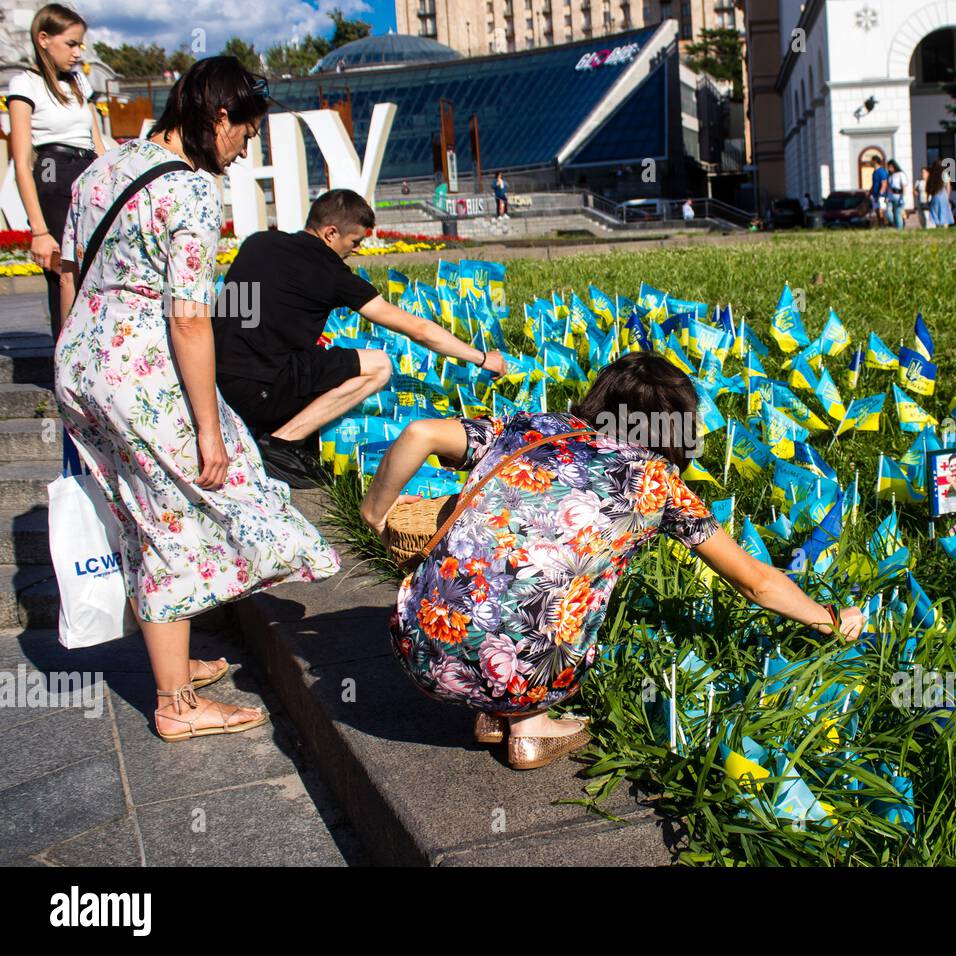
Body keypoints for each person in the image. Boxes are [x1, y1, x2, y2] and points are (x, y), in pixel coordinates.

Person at [360, 353, 865, 770]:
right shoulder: (658, 483)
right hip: (520, 674)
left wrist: (375, 515)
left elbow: (419, 433)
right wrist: (829, 619)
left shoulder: (530, 426)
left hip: (413, 645)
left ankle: (494, 709)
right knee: (559, 597)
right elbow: (755, 581)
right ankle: (529, 726)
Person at [53, 57, 340, 742]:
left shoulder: (104, 167)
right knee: (181, 517)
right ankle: (176, 705)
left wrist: (78, 352)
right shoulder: (190, 193)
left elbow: (67, 271)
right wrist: (210, 430)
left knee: (147, 518)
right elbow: (188, 318)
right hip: (141, 376)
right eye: (245, 132)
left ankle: (175, 669)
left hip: (82, 365)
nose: (245, 150)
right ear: (218, 117)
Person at [213, 188, 506, 488]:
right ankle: (282, 444)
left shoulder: (258, 244)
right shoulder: (333, 275)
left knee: (312, 356)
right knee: (378, 365)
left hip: (217, 387)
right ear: (330, 233)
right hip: (261, 393)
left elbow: (235, 307)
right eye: (354, 242)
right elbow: (419, 330)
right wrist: (483, 358)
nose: (355, 250)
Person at [6, 4, 105, 341]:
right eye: (72, 44)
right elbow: (22, 160)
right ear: (44, 39)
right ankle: (66, 360)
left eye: (81, 45)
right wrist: (38, 230)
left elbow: (98, 141)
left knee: (97, 268)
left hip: (89, 170)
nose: (79, 52)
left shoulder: (80, 82)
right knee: (65, 273)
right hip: (53, 171)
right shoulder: (25, 83)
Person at [926, 160, 954, 228]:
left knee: (935, 213)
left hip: (934, 196)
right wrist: (947, 196)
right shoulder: (944, 174)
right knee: (944, 213)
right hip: (943, 195)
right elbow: (948, 186)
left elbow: (928, 188)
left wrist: (928, 198)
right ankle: (945, 228)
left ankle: (937, 227)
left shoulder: (931, 175)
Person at [885, 159, 908, 231]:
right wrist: (887, 197)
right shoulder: (890, 176)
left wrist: (902, 197)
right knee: (888, 213)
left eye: (889, 166)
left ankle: (899, 230)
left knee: (898, 214)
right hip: (890, 196)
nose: (888, 168)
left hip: (899, 196)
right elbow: (888, 187)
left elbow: (904, 186)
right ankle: (894, 225)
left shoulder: (901, 174)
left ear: (893, 166)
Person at [869, 156, 890, 227]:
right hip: (875, 195)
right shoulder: (874, 172)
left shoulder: (882, 171)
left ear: (875, 161)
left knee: (882, 211)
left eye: (871, 161)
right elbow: (874, 184)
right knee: (877, 211)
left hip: (881, 196)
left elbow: (884, 184)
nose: (870, 162)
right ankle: (880, 226)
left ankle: (885, 225)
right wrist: (870, 192)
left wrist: (881, 194)